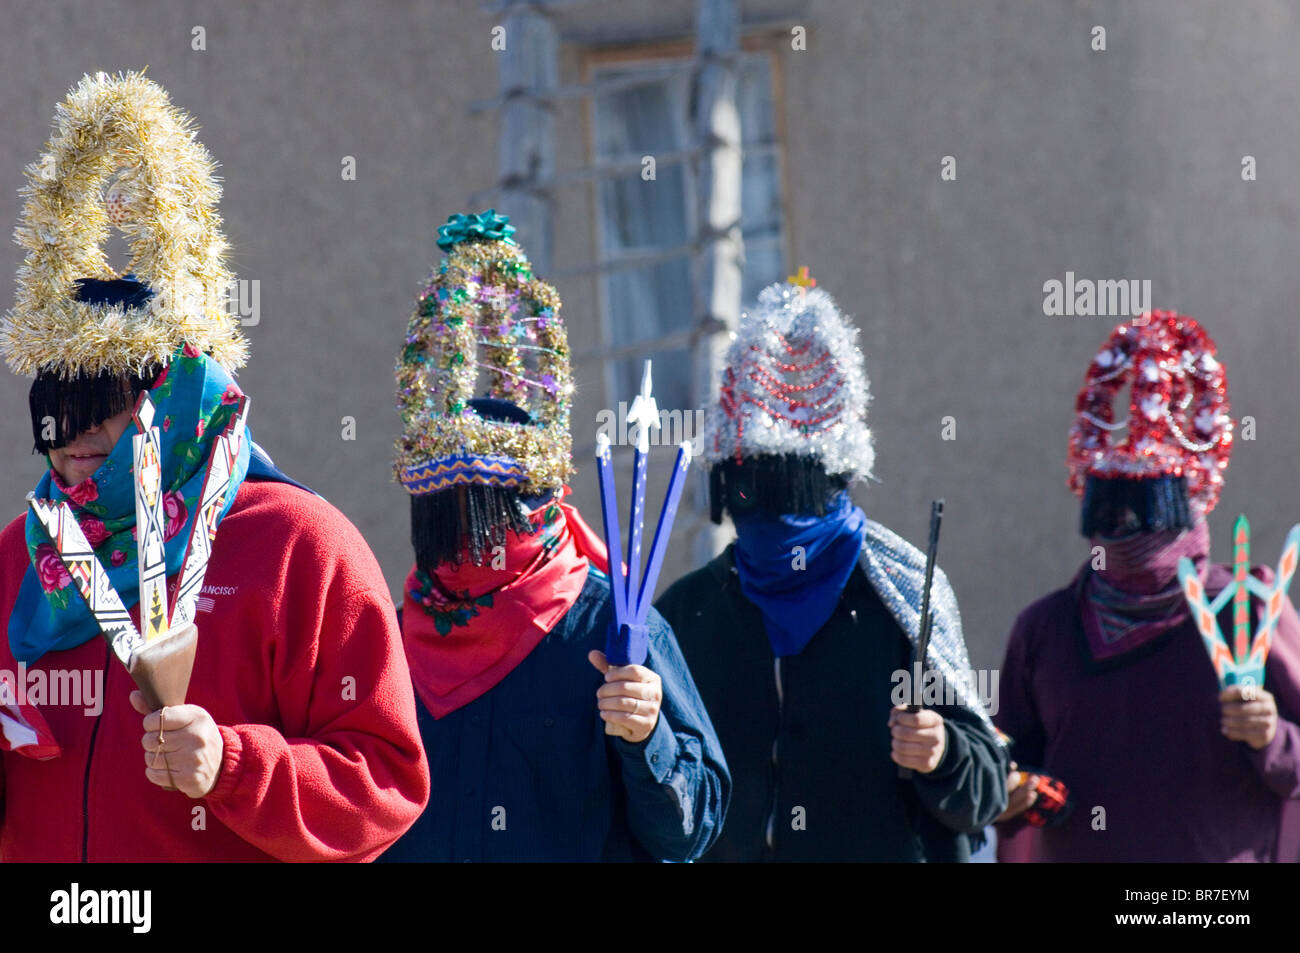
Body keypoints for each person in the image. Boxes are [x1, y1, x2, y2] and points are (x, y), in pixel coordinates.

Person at [0, 72, 429, 861]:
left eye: (108, 398)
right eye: (54, 407)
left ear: (174, 398)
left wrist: (236, 766)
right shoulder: (22, 554)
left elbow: (386, 782)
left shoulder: (301, 547)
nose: (76, 434)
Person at [380, 211, 728, 862]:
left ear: (527, 509)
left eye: (478, 519)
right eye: (440, 519)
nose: (461, 549)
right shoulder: (392, 641)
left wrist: (646, 733)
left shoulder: (615, 627)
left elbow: (693, 826)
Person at [655, 277, 1007, 862]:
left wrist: (942, 753)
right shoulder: (688, 613)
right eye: (750, 496)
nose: (772, 518)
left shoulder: (900, 597)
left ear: (832, 483)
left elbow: (986, 791)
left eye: (792, 493)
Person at [995, 312, 1300, 862]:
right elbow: (1009, 765)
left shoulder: (1246, 612)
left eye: (1150, 514)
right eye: (1113, 517)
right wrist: (1022, 791)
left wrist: (1270, 735)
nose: (1131, 537)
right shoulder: (1046, 629)